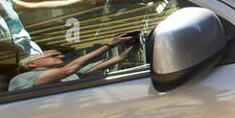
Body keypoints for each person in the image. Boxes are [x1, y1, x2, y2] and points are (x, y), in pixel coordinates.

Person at [8, 35, 138, 92]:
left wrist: (135, 44)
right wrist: (109, 45)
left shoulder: (68, 71)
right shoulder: (21, 79)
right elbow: (68, 70)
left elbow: (118, 58)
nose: (62, 56)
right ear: (32, 64)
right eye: (54, 55)